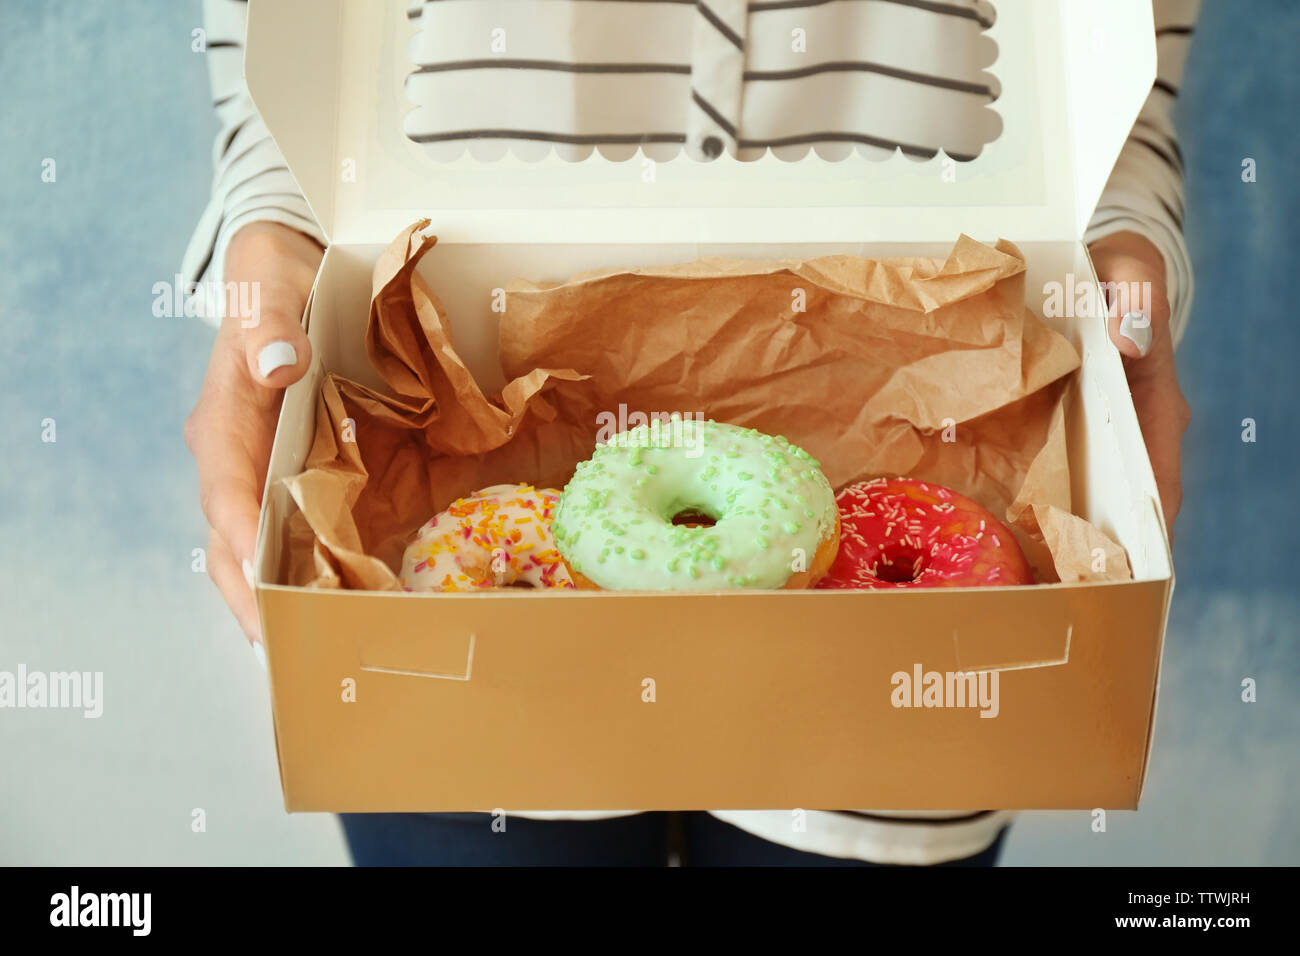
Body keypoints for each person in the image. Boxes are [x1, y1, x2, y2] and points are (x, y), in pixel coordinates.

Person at [183, 0, 1195, 866]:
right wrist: (283, 215)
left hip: (889, 680)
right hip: (461, 671)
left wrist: (1106, 217)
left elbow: (1106, 55)